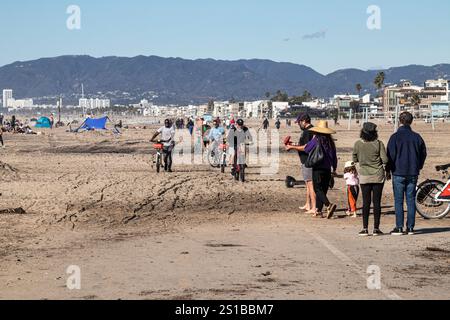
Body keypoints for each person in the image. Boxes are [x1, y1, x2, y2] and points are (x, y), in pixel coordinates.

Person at [387, 112, 427, 236]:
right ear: (411, 121)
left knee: (398, 201)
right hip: (413, 172)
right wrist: (418, 166)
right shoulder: (417, 137)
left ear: (400, 121)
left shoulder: (395, 137)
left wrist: (388, 169)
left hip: (398, 171)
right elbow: (423, 153)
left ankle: (399, 227)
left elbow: (390, 155)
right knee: (410, 200)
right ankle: (410, 228)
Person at [353, 122, 389, 236]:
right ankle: (376, 228)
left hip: (364, 175)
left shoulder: (358, 144)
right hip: (378, 175)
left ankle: (364, 228)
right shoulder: (379, 144)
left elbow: (355, 158)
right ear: (375, 133)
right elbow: (385, 160)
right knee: (376, 202)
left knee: (366, 202)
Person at [304, 121, 338, 218]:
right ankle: (318, 211)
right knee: (323, 190)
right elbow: (334, 157)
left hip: (318, 168)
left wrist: (313, 139)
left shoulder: (316, 140)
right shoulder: (331, 142)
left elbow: (307, 149)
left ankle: (328, 205)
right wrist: (334, 168)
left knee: (317, 189)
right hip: (328, 169)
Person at [285, 114, 316, 215]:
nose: (298, 124)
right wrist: (292, 144)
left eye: (299, 122)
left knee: (310, 185)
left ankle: (313, 207)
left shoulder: (308, 131)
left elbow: (306, 147)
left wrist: (292, 147)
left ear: (304, 121)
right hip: (305, 161)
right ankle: (308, 204)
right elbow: (303, 145)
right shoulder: (307, 131)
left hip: (308, 161)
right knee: (307, 184)